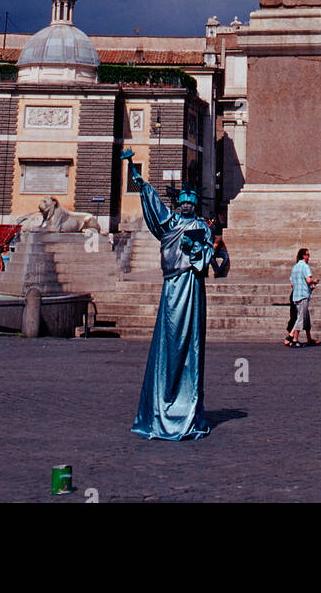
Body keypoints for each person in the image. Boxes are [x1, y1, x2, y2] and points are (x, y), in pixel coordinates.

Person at [122, 151, 214, 440]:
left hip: (192, 288)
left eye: (191, 202)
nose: (187, 205)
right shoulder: (170, 224)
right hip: (174, 288)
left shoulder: (201, 227)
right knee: (170, 344)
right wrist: (139, 180)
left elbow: (207, 255)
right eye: (183, 202)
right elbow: (154, 206)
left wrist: (197, 249)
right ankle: (164, 406)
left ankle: (187, 408)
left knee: (190, 346)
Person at [289, 247, 321, 347]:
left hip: (296, 295)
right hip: (303, 295)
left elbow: (291, 283)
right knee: (301, 318)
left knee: (302, 317)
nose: (309, 257)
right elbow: (308, 280)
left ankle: (306, 338)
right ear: (303, 256)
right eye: (307, 255)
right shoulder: (305, 266)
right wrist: (314, 282)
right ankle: (294, 339)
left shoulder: (295, 267)